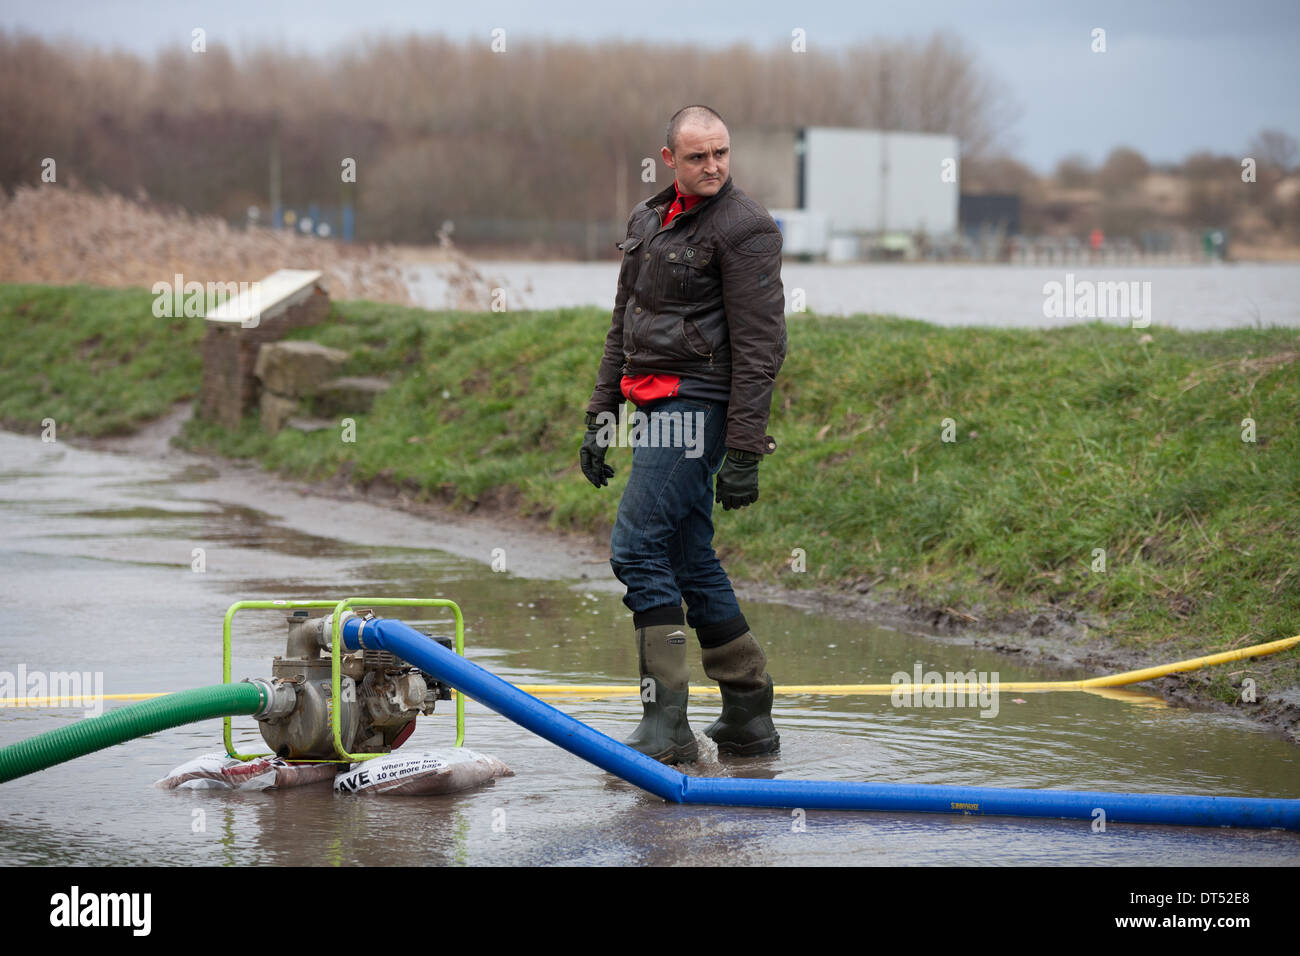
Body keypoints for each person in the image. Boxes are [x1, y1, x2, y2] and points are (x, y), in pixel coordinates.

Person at [579, 105, 787, 764]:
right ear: (668, 159)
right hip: (650, 404)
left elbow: (761, 346)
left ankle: (666, 724)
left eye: (722, 153)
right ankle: (750, 714)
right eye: (698, 157)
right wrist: (600, 413)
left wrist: (746, 449)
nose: (714, 167)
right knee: (690, 556)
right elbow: (625, 322)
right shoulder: (648, 218)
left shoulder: (745, 227)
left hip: (697, 408)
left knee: (637, 550)